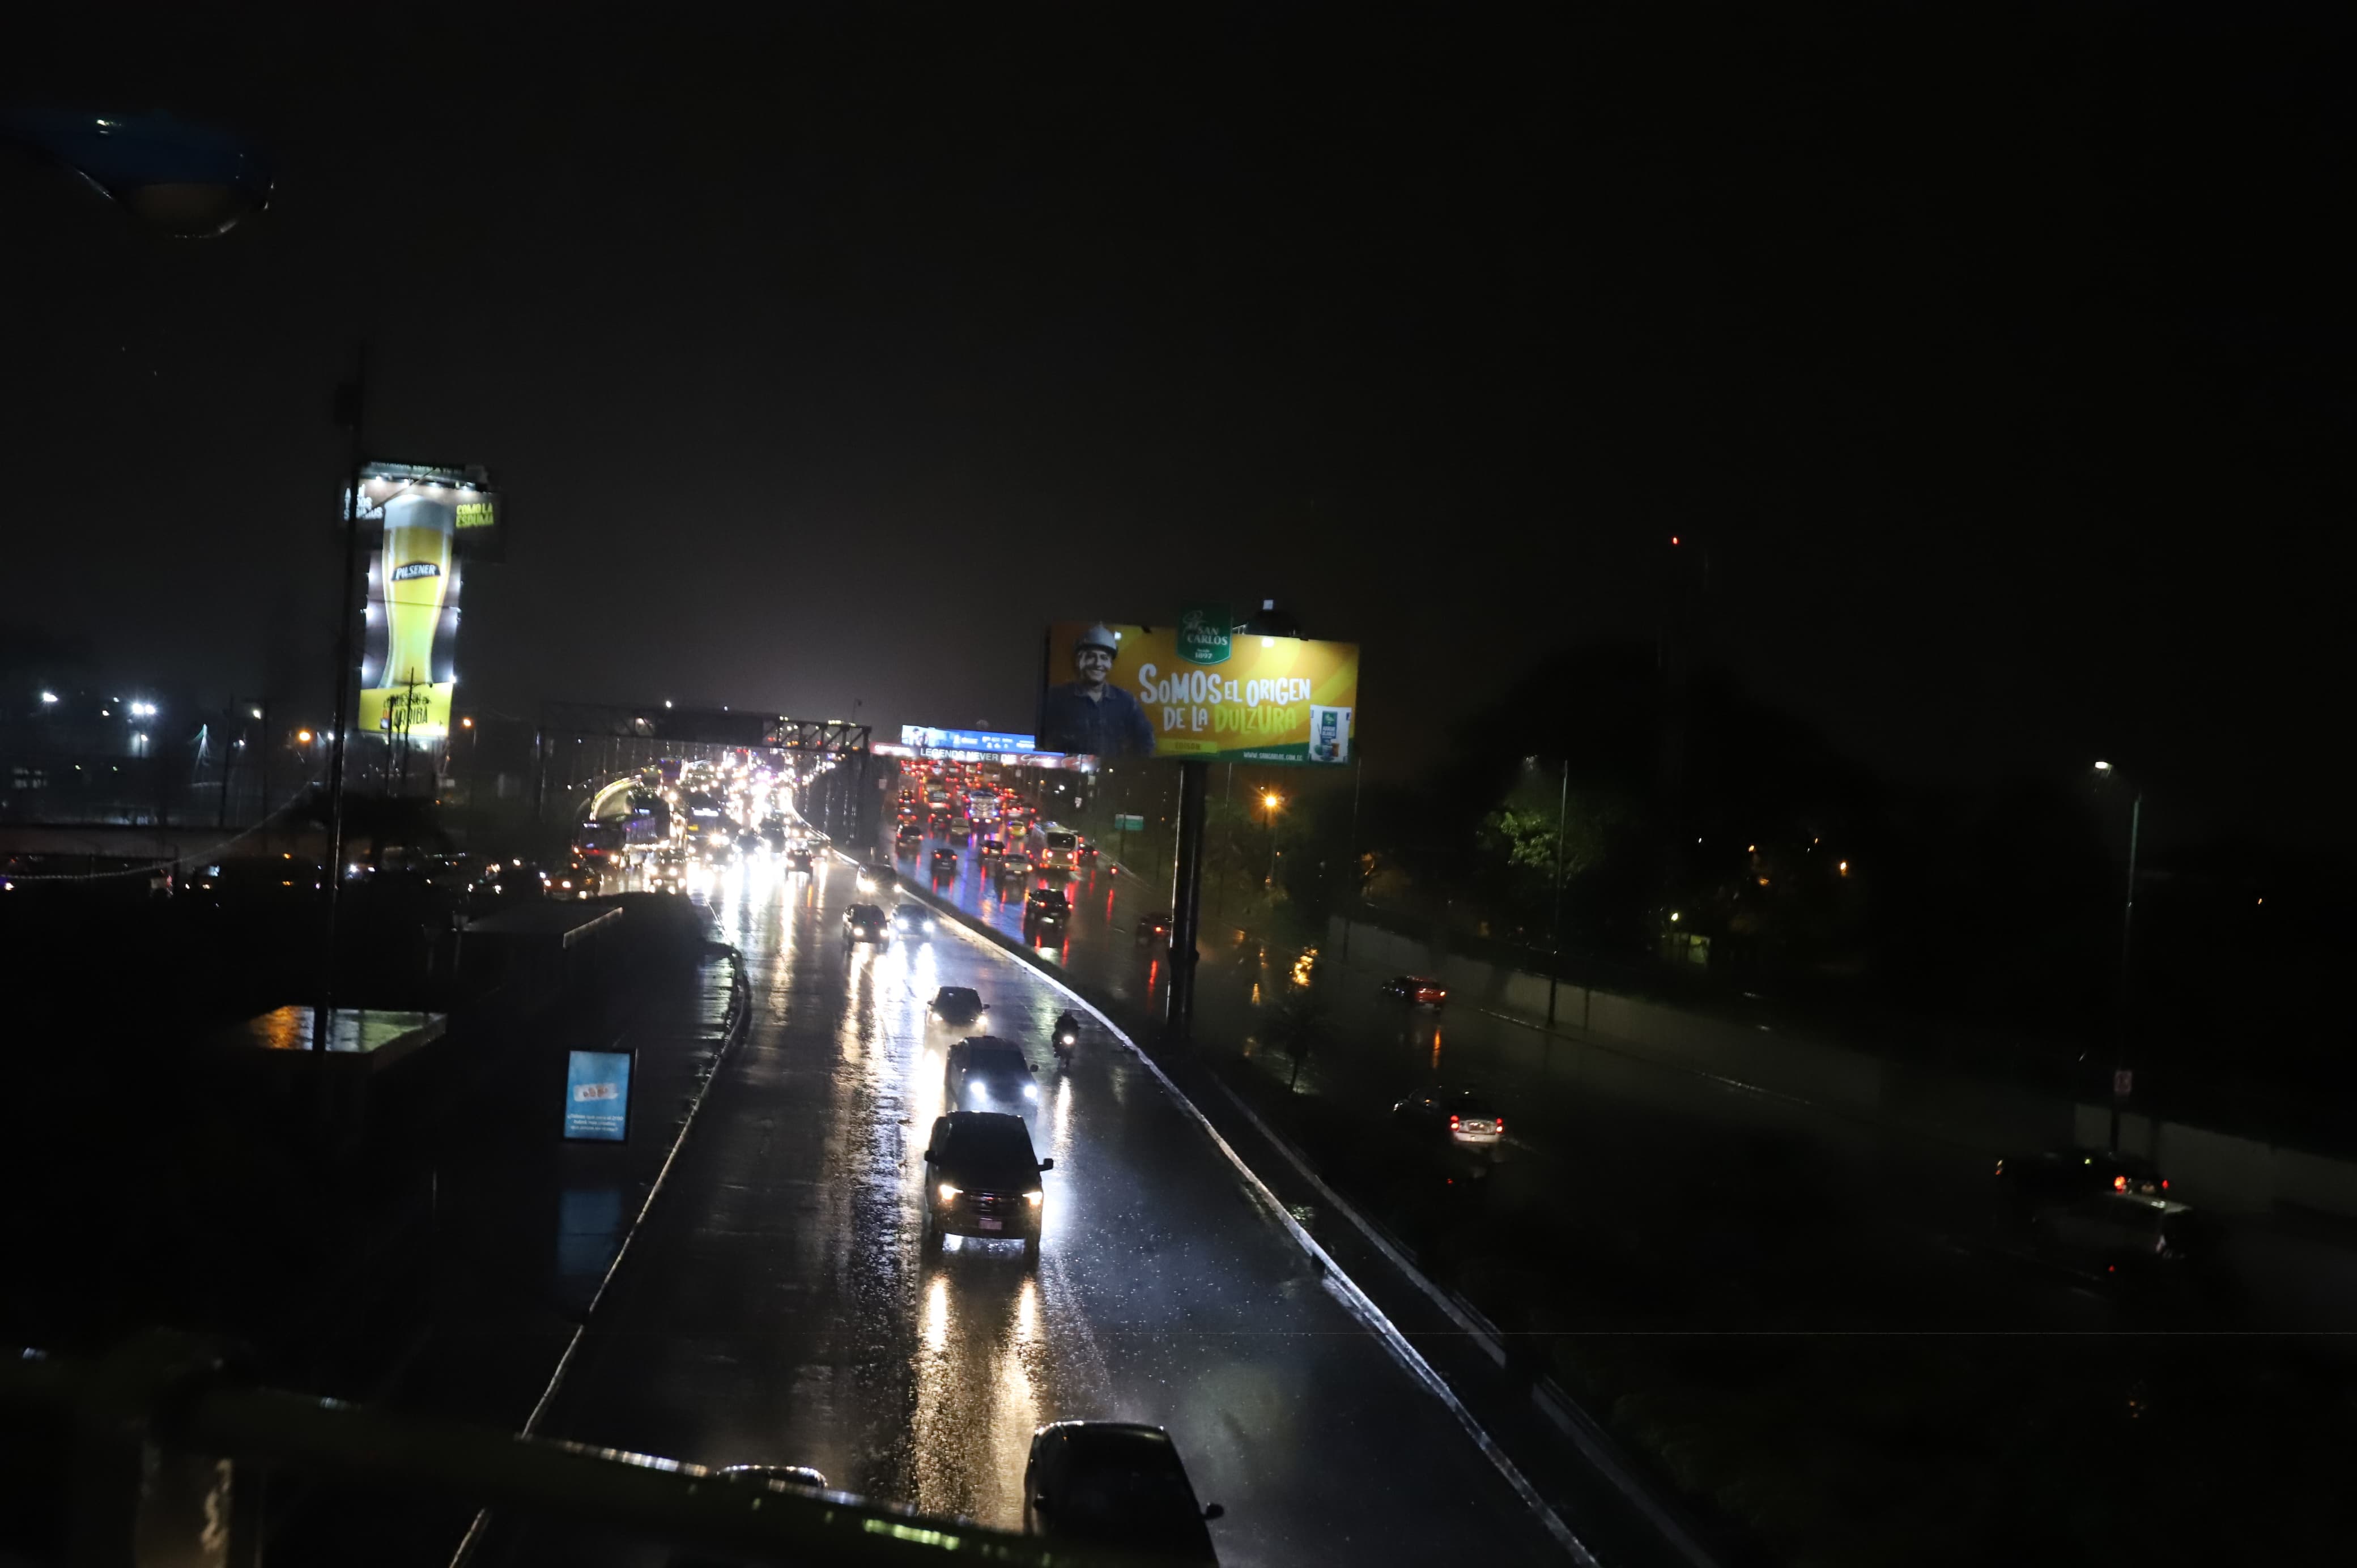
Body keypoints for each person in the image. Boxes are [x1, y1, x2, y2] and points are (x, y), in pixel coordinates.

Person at [1039, 623, 1155, 759]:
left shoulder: (1126, 701)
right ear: (1079, 661)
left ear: (1110, 664)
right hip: (1066, 771)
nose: (1098, 664)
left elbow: (1146, 741)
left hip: (1109, 774)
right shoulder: (1056, 698)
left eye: (1104, 658)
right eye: (1091, 657)